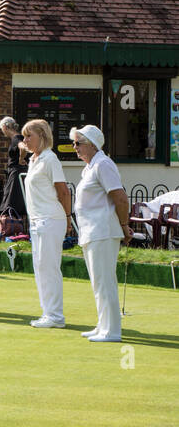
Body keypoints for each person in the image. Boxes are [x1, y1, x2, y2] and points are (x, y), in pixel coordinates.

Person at [70, 125, 131, 343]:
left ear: (93, 145)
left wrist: (124, 225)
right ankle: (103, 325)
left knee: (105, 282)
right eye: (74, 143)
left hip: (103, 231)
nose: (75, 147)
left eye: (78, 143)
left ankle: (112, 331)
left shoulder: (103, 164)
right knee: (98, 282)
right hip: (91, 232)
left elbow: (120, 198)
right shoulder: (90, 167)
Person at [20, 119, 72, 328]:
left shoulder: (50, 159)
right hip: (37, 220)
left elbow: (63, 192)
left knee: (49, 268)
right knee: (40, 267)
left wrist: (68, 218)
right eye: (24, 136)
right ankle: (48, 313)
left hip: (51, 219)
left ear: (41, 136)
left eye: (29, 135)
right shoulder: (34, 159)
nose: (25, 140)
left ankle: (55, 316)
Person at [0, 116, 27, 223]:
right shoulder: (21, 137)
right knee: (17, 202)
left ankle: (11, 228)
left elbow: (23, 147)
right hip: (20, 173)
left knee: (11, 204)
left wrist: (21, 159)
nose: (3, 132)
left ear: (5, 127)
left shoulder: (16, 138)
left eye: (2, 129)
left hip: (16, 174)